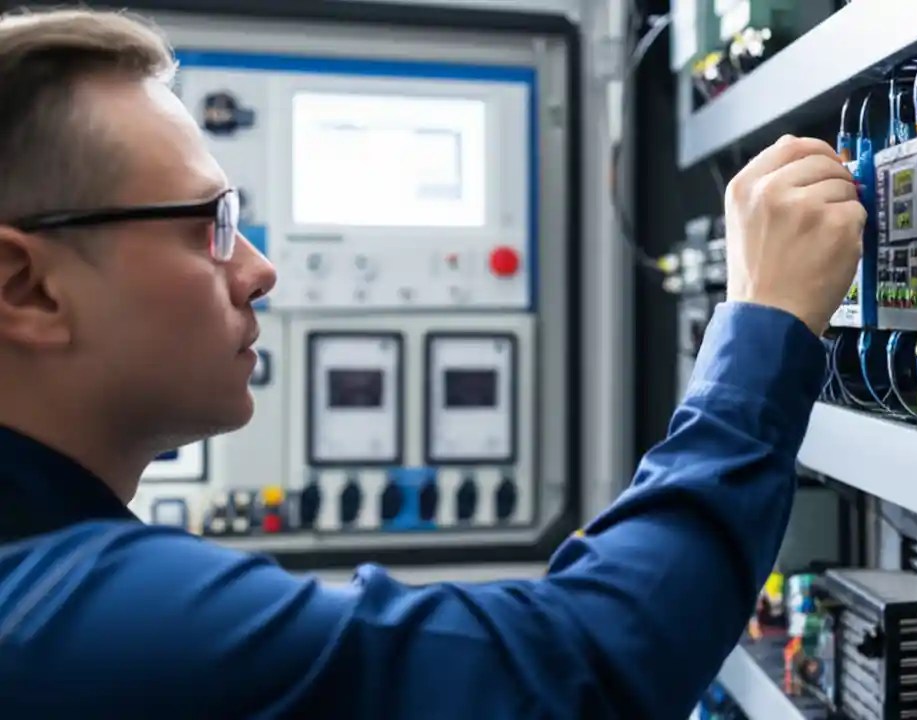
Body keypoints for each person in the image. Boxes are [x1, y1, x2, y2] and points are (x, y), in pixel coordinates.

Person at [0, 9, 864, 719]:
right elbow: (589, 664)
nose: (258, 270)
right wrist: (763, 325)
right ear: (27, 288)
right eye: (207, 226)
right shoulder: (86, 621)